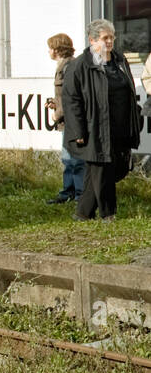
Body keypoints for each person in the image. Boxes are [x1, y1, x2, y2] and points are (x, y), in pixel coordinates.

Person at [63, 19, 139, 221]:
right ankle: (108, 214)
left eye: (112, 37)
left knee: (106, 169)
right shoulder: (80, 66)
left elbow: (129, 90)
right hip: (94, 127)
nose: (110, 42)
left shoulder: (119, 61)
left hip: (119, 126)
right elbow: (72, 101)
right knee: (102, 169)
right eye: (105, 38)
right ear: (92, 40)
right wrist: (77, 131)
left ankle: (83, 213)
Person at [43, 33, 84, 204]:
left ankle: (79, 195)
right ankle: (69, 192)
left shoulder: (68, 67)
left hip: (70, 120)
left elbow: (71, 97)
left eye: (50, 48)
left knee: (74, 160)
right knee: (68, 159)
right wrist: (55, 103)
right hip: (66, 119)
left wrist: (57, 113)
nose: (48, 51)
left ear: (57, 49)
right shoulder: (64, 65)